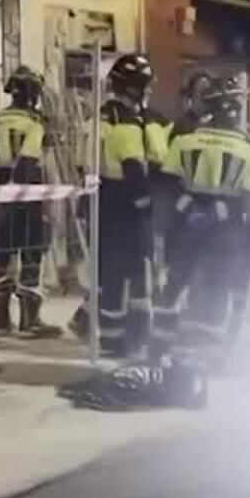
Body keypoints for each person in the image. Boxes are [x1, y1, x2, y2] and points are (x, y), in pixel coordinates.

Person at [158, 77, 250, 352]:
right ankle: (208, 349)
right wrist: (221, 212)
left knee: (175, 281)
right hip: (226, 230)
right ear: (237, 106)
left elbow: (167, 185)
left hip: (187, 223)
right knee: (218, 284)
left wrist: (189, 207)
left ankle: (159, 342)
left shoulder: (185, 140)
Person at [0, 66, 56, 338]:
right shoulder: (34, 124)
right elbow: (28, 164)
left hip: (2, 199)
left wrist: (0, 183)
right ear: (33, 93)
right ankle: (29, 321)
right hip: (29, 198)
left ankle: (0, 322)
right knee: (32, 254)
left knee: (3, 255)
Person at [93, 53, 157, 359]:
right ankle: (137, 337)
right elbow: (134, 170)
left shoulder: (96, 119)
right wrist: (147, 207)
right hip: (127, 207)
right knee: (139, 274)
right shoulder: (129, 126)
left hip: (100, 200)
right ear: (135, 89)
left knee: (109, 276)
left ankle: (109, 338)